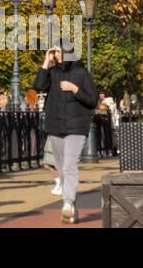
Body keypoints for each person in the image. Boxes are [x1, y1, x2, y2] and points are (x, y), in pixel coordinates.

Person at [34, 39, 98, 224]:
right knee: (61, 168)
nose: (57, 55)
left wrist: (75, 89)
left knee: (70, 165)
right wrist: (46, 61)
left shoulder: (81, 72)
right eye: (55, 52)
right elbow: (38, 85)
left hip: (76, 127)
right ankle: (71, 207)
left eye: (59, 52)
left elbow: (92, 100)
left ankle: (68, 204)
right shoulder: (53, 72)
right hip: (55, 126)